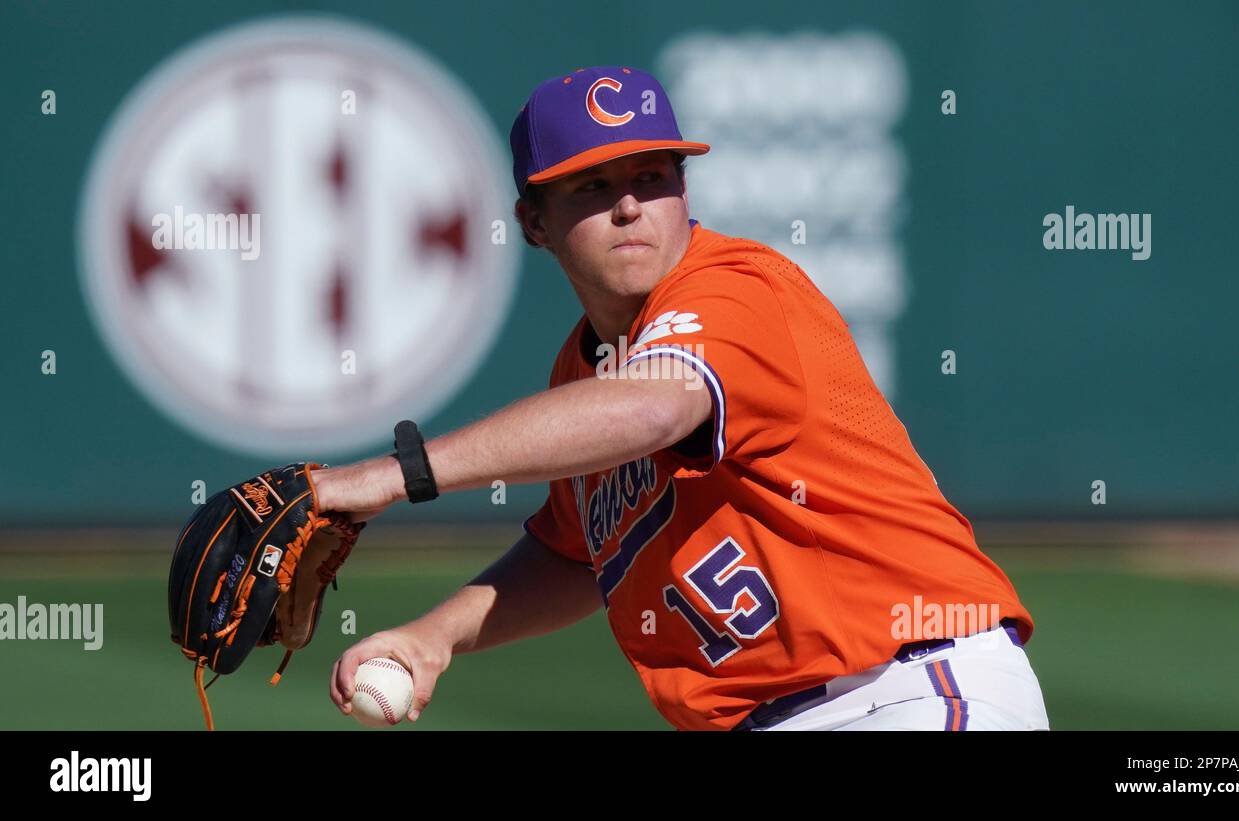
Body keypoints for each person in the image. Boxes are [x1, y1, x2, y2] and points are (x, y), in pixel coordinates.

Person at [315, 66, 1049, 731]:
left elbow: (655, 409)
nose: (631, 205)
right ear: (535, 222)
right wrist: (432, 635)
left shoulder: (736, 289)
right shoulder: (581, 378)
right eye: (593, 186)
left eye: (653, 175)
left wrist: (386, 477)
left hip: (909, 685)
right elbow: (573, 557)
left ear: (684, 188)